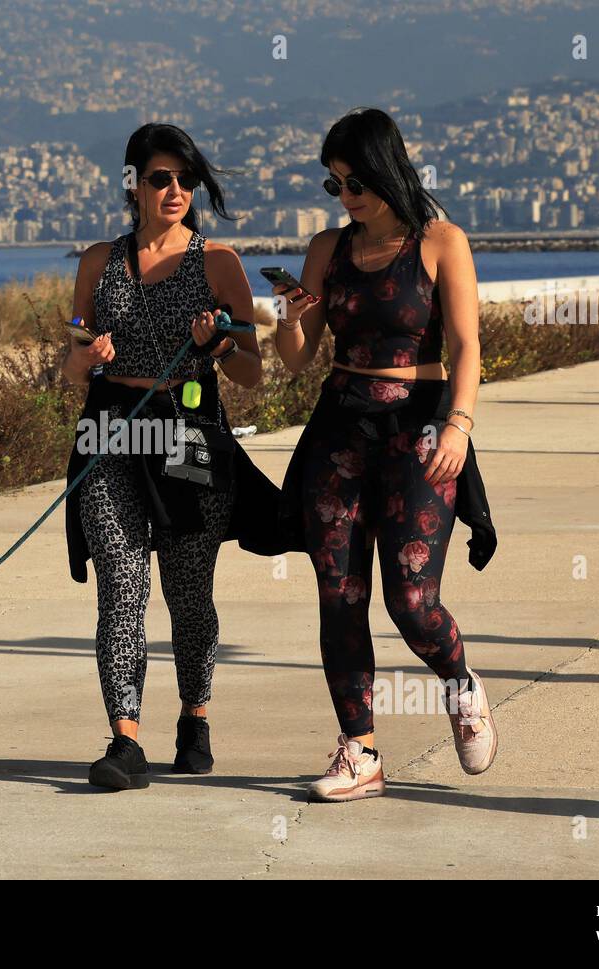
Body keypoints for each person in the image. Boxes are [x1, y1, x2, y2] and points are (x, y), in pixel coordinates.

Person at [269, 107, 498, 803]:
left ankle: (461, 682)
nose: (346, 196)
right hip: (340, 429)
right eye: (334, 184)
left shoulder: (441, 241)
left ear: (387, 169)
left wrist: (458, 425)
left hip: (420, 428)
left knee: (412, 598)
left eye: (356, 181)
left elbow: (467, 346)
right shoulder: (326, 249)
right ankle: (360, 750)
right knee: (339, 592)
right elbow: (296, 359)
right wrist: (289, 317)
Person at [60, 123, 293, 791]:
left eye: (186, 179)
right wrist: (85, 356)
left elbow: (251, 373)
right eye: (161, 177)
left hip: (189, 434)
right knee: (121, 587)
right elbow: (70, 366)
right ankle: (125, 739)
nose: (176, 190)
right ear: (133, 183)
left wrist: (218, 345)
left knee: (188, 595)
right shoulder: (97, 262)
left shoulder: (219, 264)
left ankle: (195, 716)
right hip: (110, 432)